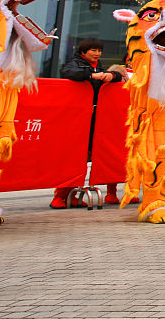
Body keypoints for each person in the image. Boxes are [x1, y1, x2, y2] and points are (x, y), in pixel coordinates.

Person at [53, 38, 125, 208]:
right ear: (83, 51)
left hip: (95, 117)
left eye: (99, 51)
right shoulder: (76, 64)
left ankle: (75, 194)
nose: (97, 54)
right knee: (74, 155)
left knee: (88, 155)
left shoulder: (98, 66)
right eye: (93, 50)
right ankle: (60, 196)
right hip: (76, 117)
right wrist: (91, 75)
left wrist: (111, 75)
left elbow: (118, 77)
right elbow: (68, 73)